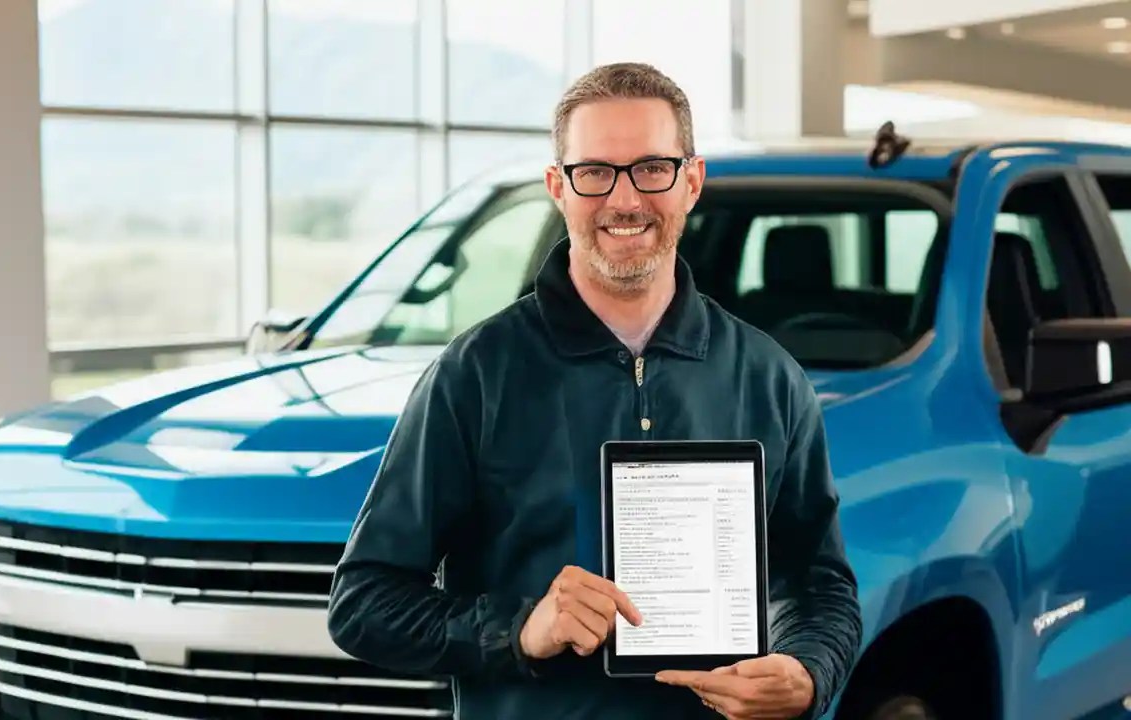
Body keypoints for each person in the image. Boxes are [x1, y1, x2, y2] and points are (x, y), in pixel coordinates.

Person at [327, 62, 862, 720]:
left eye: (652, 168)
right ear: (559, 186)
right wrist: (517, 630)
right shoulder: (476, 375)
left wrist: (807, 672)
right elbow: (363, 603)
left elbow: (822, 586)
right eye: (595, 173)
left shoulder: (769, 377)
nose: (625, 199)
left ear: (691, 181)